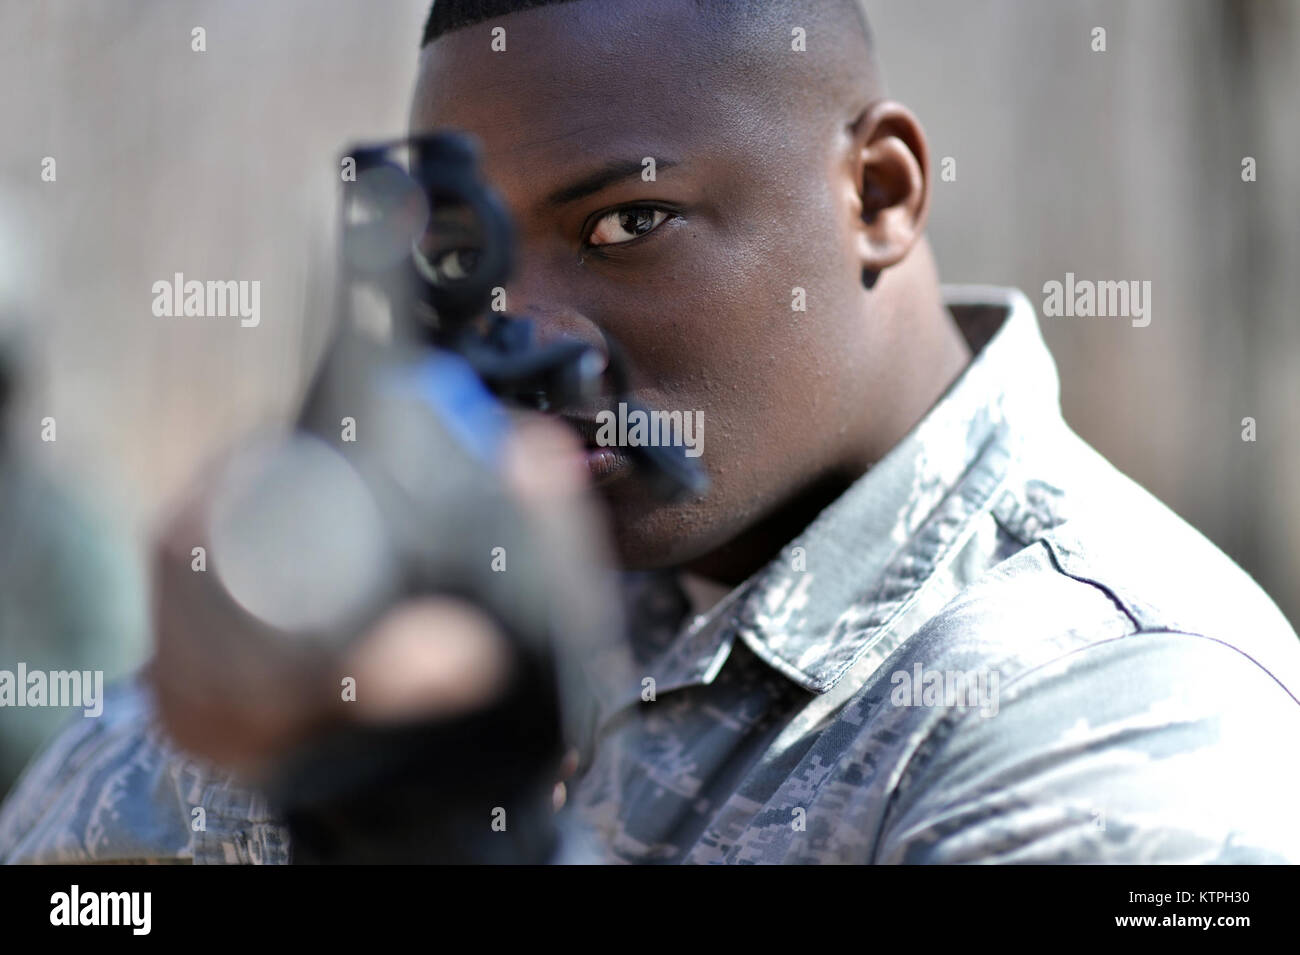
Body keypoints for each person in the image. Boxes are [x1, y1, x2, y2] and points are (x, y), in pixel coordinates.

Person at [3, 0, 1299, 864]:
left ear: (880, 193)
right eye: (474, 259)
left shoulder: (1134, 707)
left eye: (627, 225)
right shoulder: (523, 560)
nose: (537, 335)